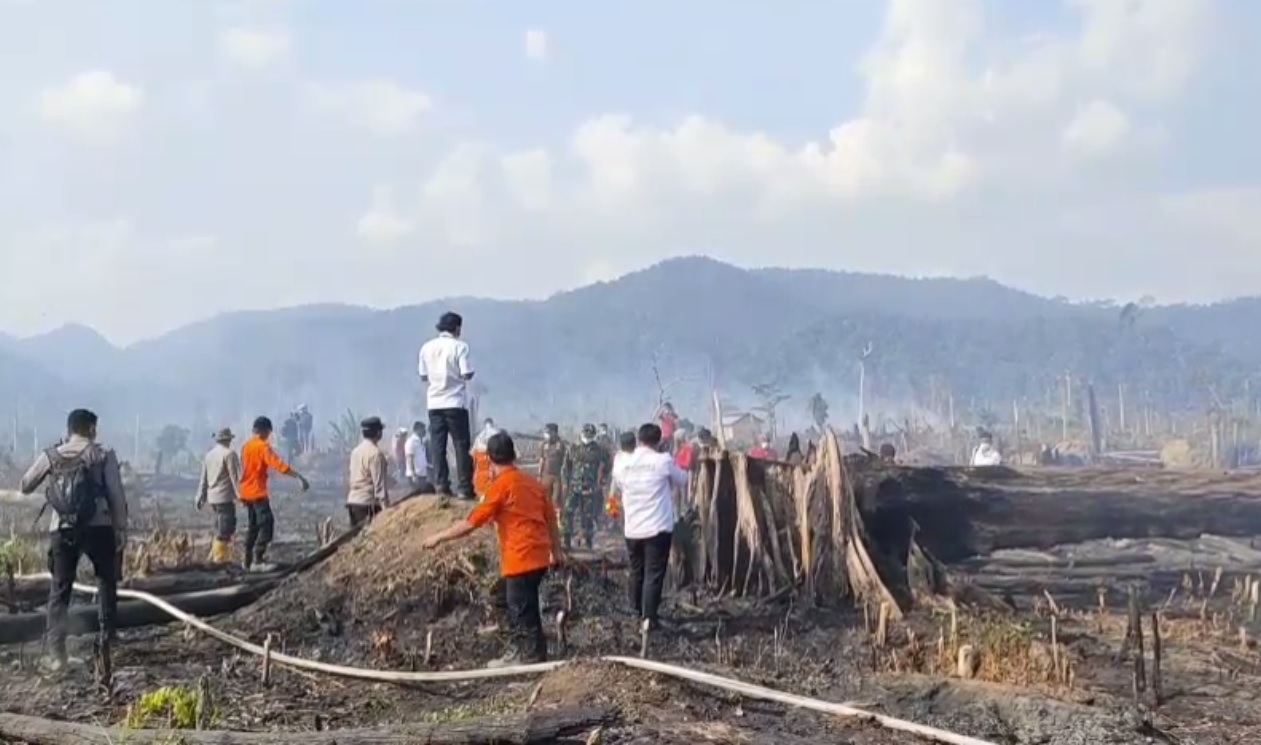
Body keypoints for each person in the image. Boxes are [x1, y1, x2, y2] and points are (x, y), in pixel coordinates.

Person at [422, 432, 563, 667]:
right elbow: (551, 519)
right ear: (514, 456)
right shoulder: (532, 484)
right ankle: (530, 653)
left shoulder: (500, 487)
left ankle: (527, 659)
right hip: (539, 557)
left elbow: (471, 522)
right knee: (508, 600)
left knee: (521, 610)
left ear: (489, 458)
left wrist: (438, 537)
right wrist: (556, 551)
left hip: (520, 558)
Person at [18, 408, 128, 673]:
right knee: (105, 580)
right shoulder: (102, 454)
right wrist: (120, 528)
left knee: (60, 589)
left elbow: (25, 485)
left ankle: (57, 653)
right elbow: (115, 493)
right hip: (99, 526)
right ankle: (107, 639)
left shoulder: (51, 455)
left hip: (62, 528)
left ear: (69, 430)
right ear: (91, 429)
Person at [611, 423, 688, 646]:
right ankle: (649, 618)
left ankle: (636, 611)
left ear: (639, 439)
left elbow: (617, 482)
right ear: (659, 440)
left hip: (633, 528)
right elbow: (682, 479)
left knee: (637, 571)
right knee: (654, 574)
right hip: (657, 528)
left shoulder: (625, 463)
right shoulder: (662, 461)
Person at [239, 416, 310, 571]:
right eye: (269, 432)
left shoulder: (245, 447)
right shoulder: (263, 447)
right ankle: (258, 559)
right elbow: (278, 464)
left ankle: (247, 560)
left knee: (253, 526)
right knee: (266, 524)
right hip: (258, 492)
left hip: (246, 491)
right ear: (265, 431)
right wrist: (299, 477)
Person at [419, 311, 476, 500]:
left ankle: (442, 485)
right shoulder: (460, 347)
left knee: (438, 446)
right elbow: (466, 373)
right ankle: (464, 487)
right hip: (454, 402)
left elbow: (423, 376)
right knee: (461, 445)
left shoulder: (426, 348)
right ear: (457, 328)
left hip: (434, 403)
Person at [195, 428, 243, 564]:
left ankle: (216, 556)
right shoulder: (230, 454)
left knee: (220, 528)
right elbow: (235, 478)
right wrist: (241, 496)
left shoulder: (209, 455)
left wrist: (200, 496)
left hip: (213, 499)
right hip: (225, 497)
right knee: (225, 530)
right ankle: (219, 560)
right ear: (228, 439)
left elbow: (203, 479)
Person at [562, 424, 611, 550]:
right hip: (574, 486)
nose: (587, 436)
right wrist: (566, 483)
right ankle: (566, 540)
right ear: (582, 433)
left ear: (593, 435)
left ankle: (587, 541)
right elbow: (566, 467)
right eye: (585, 433)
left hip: (590, 487)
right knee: (568, 511)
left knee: (587, 515)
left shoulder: (599, 450)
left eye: (590, 434)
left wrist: (603, 478)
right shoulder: (573, 448)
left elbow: (608, 463)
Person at [347, 417, 390, 527]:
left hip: (353, 501)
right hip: (368, 504)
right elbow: (379, 486)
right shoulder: (376, 454)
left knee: (358, 540)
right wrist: (387, 511)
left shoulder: (355, 452)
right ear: (378, 432)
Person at [605, 431, 638, 523]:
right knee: (613, 499)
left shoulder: (619, 455)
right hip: (625, 482)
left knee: (612, 497)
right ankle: (615, 519)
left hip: (620, 482)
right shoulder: (636, 455)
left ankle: (614, 519)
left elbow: (615, 473)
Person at [538, 423, 568, 505]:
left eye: (548, 432)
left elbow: (565, 461)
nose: (546, 435)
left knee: (556, 500)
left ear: (554, 432)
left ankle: (556, 516)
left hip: (557, 476)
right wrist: (539, 475)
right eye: (546, 433)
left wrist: (564, 477)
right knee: (544, 498)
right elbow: (542, 460)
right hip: (546, 475)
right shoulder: (544, 444)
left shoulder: (561, 445)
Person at [471, 418, 501, 498]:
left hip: (480, 484)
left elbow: (474, 462)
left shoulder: (479, 436)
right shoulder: (498, 434)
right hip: (497, 486)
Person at [404, 420, 431, 492]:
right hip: (416, 475)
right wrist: (413, 475)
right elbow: (410, 458)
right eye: (423, 429)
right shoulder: (411, 442)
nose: (425, 431)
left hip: (422, 474)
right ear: (417, 430)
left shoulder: (420, 441)